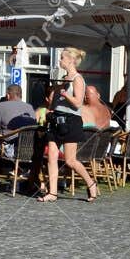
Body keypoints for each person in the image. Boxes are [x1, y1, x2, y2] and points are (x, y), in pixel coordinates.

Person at [42, 47, 97, 203]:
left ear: (71, 60)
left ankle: (91, 183)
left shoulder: (77, 79)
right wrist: (54, 96)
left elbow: (78, 103)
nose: (59, 60)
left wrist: (65, 94)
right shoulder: (63, 78)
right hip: (56, 119)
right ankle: (52, 193)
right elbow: (55, 101)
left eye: (62, 58)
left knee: (70, 161)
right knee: (51, 156)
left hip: (71, 120)